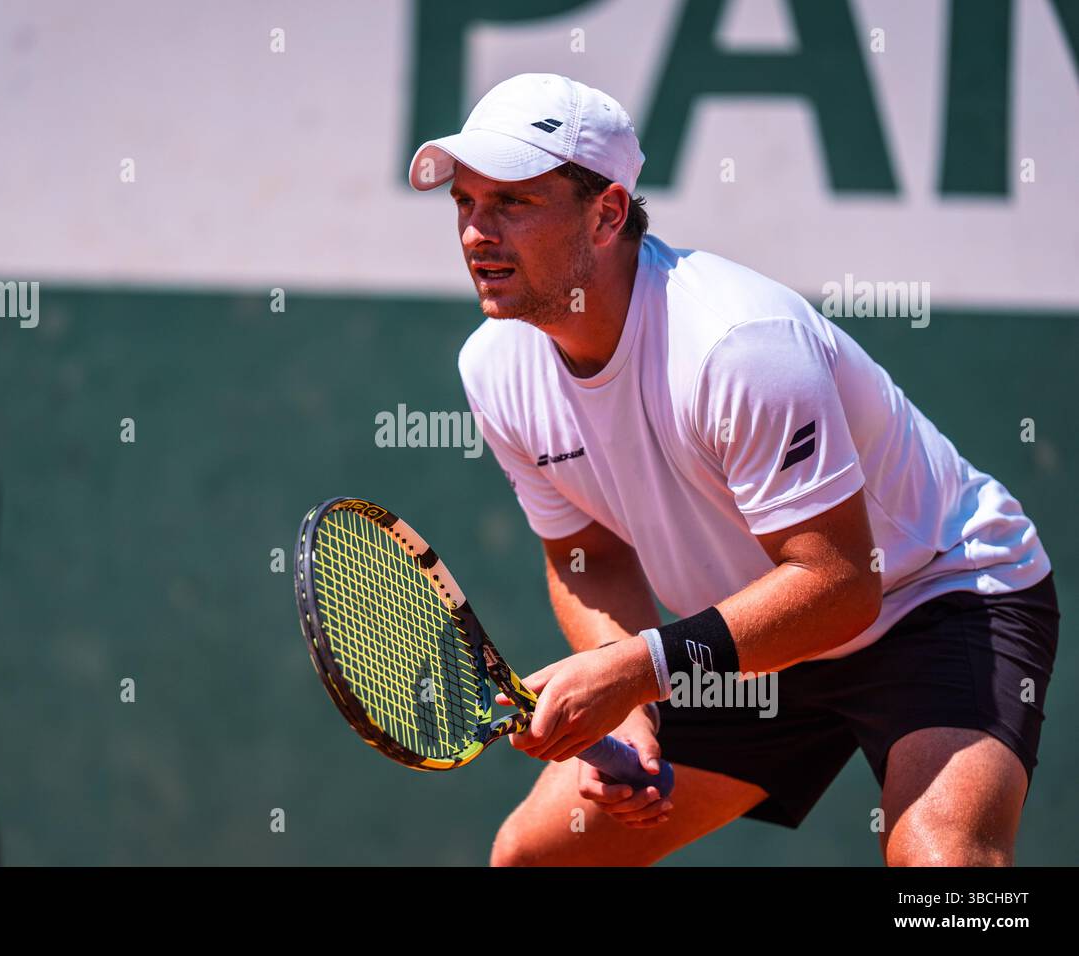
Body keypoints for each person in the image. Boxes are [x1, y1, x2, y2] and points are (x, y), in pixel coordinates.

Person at [408, 74, 1058, 866]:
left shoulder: (736, 344)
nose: (477, 232)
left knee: (944, 865)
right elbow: (591, 561)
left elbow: (841, 584)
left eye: (512, 202)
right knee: (538, 857)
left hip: (931, 596)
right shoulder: (494, 368)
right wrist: (628, 713)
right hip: (744, 629)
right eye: (465, 204)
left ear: (608, 212)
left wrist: (638, 669)